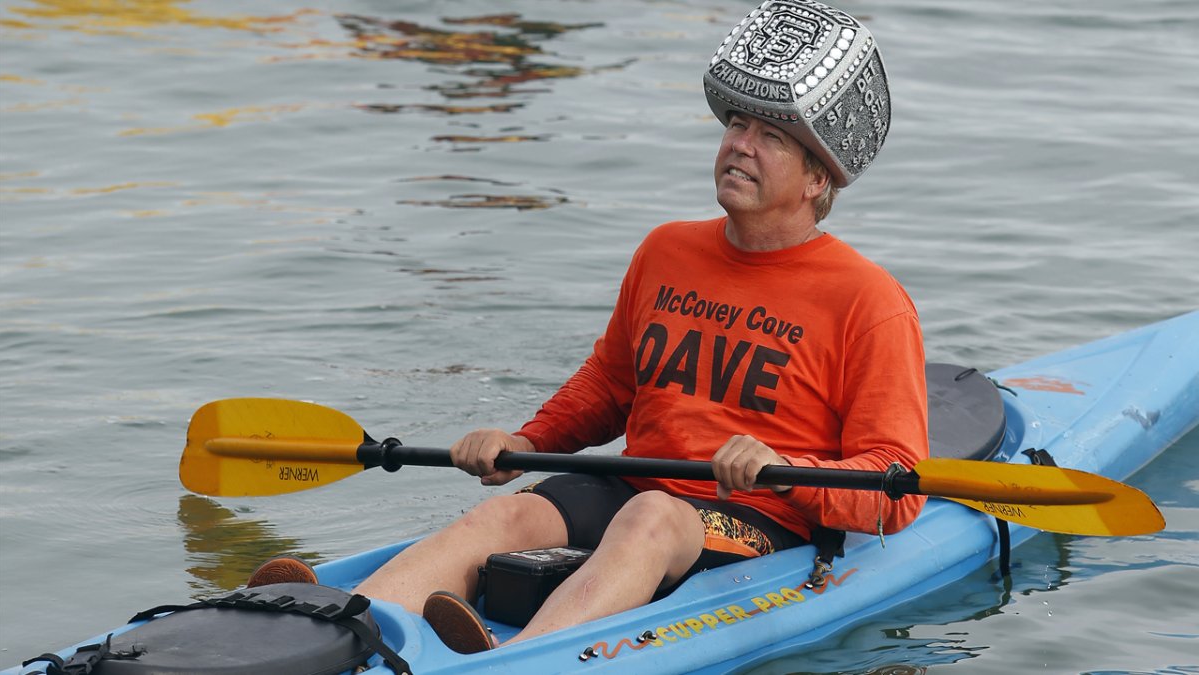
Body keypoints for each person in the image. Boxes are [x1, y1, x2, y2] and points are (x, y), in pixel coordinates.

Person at [250, 0, 928, 655]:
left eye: (770, 137)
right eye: (736, 126)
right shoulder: (667, 249)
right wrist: (525, 438)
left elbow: (896, 484)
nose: (739, 146)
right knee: (507, 515)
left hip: (759, 520)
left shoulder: (868, 300)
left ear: (816, 178)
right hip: (637, 481)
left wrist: (786, 471)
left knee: (652, 518)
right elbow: (611, 383)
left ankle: (519, 658)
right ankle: (337, 622)